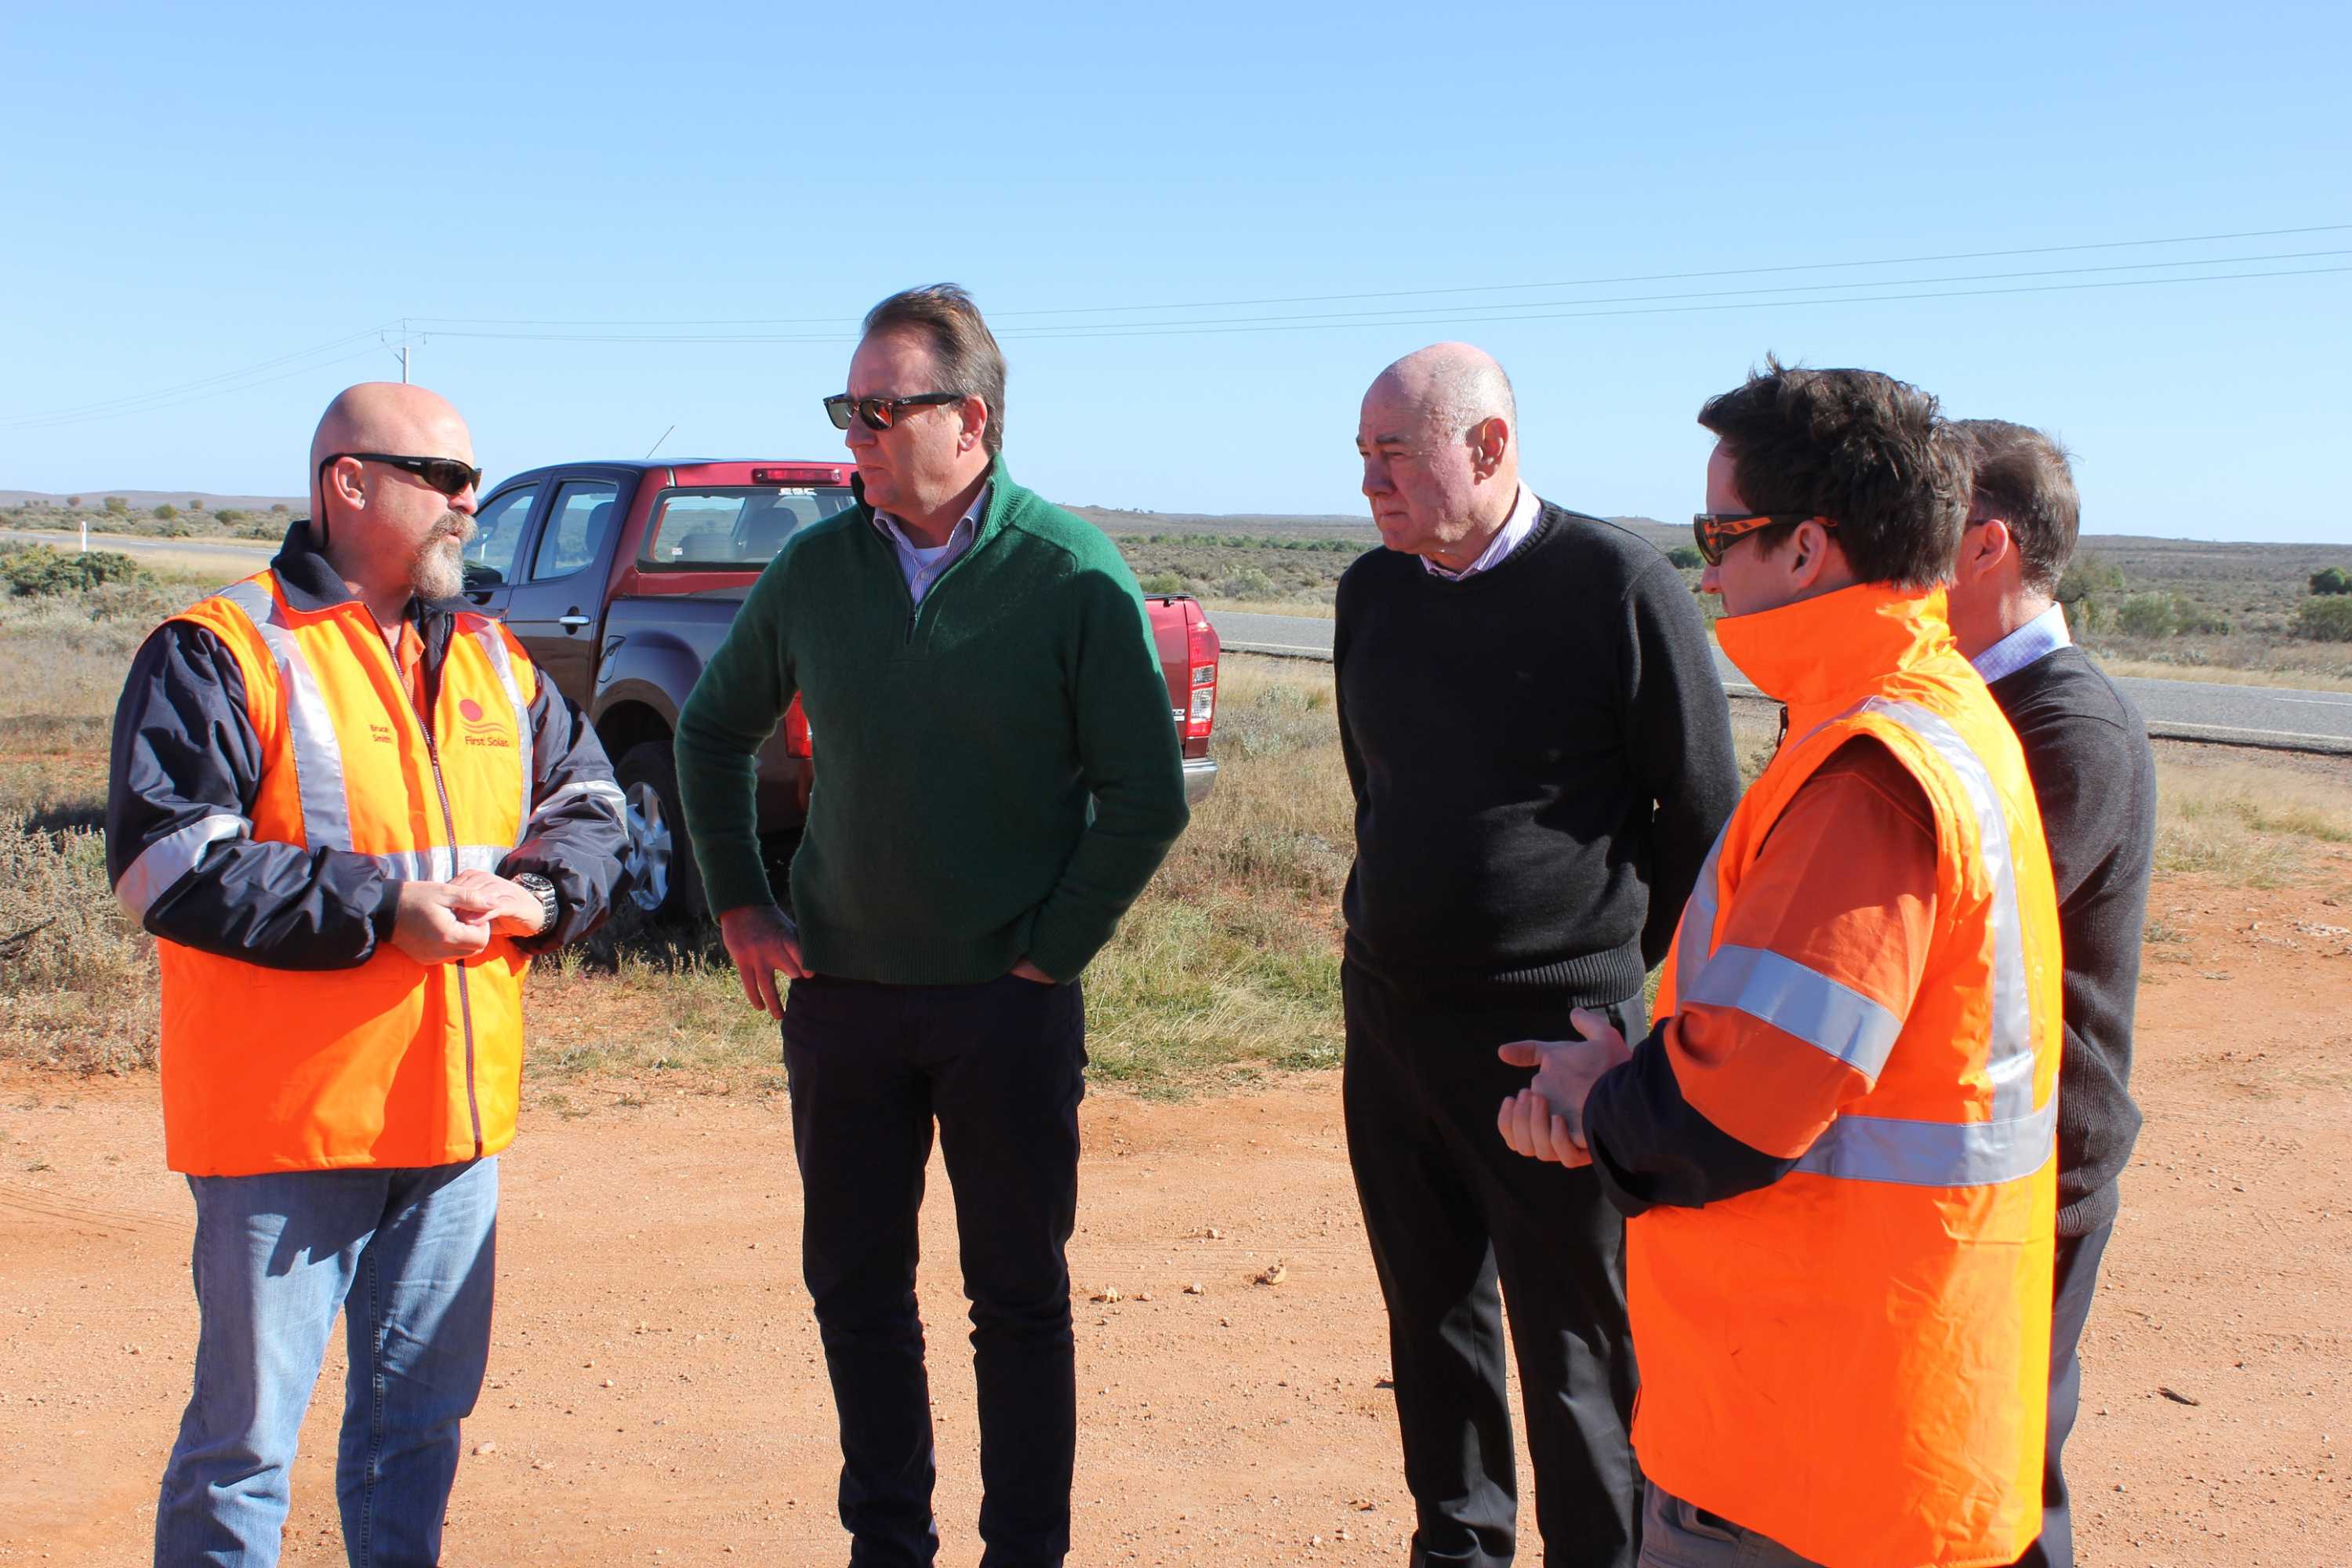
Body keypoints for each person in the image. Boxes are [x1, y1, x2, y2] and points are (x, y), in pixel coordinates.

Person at [1497, 360, 2065, 1568]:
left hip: (1818, 1456)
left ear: (1808, 550)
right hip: (1870, 1417)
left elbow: (1741, 1108)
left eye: (1722, 533)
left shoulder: (1870, 772)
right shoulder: (1929, 718)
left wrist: (1602, 1105)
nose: (1703, 569)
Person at [674, 283, 1189, 1568]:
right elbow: (710, 727)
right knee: (856, 1292)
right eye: (846, 405)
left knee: (1015, 1302)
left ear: (970, 420)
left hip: (1004, 1006)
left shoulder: (1069, 571)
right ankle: (886, 1544)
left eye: (878, 407)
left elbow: (1145, 796)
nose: (854, 429)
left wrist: (1049, 951)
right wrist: (741, 896)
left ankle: (1026, 1552)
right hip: (842, 997)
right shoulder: (817, 566)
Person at [106, 382, 628, 1566]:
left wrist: (538, 895)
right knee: (244, 1454)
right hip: (289, 1130)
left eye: (472, 481)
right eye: (443, 480)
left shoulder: (495, 657)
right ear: (347, 483)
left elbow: (593, 807)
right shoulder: (221, 648)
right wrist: (384, 911)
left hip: (453, 1126)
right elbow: (166, 863)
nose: (471, 505)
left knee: (418, 1434)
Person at [1335, 343, 1740, 1567]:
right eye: (1362, 458)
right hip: (1391, 1021)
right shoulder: (1374, 591)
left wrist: (1615, 996)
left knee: (1576, 1347)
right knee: (1432, 1322)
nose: (1371, 485)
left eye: (1393, 455)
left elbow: (1704, 816)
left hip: (1552, 1043)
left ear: (1490, 446)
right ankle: (1456, 1550)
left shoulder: (1617, 585)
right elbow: (1382, 791)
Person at [1947, 418, 2155, 1568]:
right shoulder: (1981, 710)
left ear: (1985, 550)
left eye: (1914, 533)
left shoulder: (2069, 728)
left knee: (2003, 1484)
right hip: (1977, 1161)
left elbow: (1954, 941)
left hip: (2037, 1171)